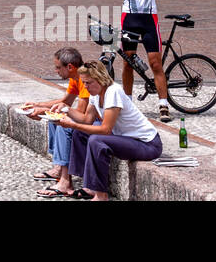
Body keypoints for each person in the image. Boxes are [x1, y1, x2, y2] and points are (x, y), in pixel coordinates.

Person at [51, 61, 163, 200]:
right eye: (84, 83)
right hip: (126, 138)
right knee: (80, 133)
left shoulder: (113, 91)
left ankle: (101, 195)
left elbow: (105, 130)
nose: (85, 86)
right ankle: (88, 185)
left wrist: (72, 125)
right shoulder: (95, 94)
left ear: (101, 79)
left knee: (96, 140)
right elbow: (87, 120)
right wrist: (66, 109)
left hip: (147, 144)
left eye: (89, 82)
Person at [113, 0, 182, 123]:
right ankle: (127, 104)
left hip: (149, 19)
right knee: (128, 63)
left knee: (156, 63)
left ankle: (164, 105)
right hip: (130, 18)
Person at [23, 47, 91, 197]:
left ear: (70, 67)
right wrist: (38, 106)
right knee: (54, 117)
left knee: (63, 125)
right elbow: (65, 101)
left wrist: (51, 112)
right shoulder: (75, 77)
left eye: (58, 67)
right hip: (88, 119)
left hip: (96, 122)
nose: (56, 71)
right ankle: (59, 167)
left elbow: (81, 113)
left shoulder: (86, 79)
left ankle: (66, 181)